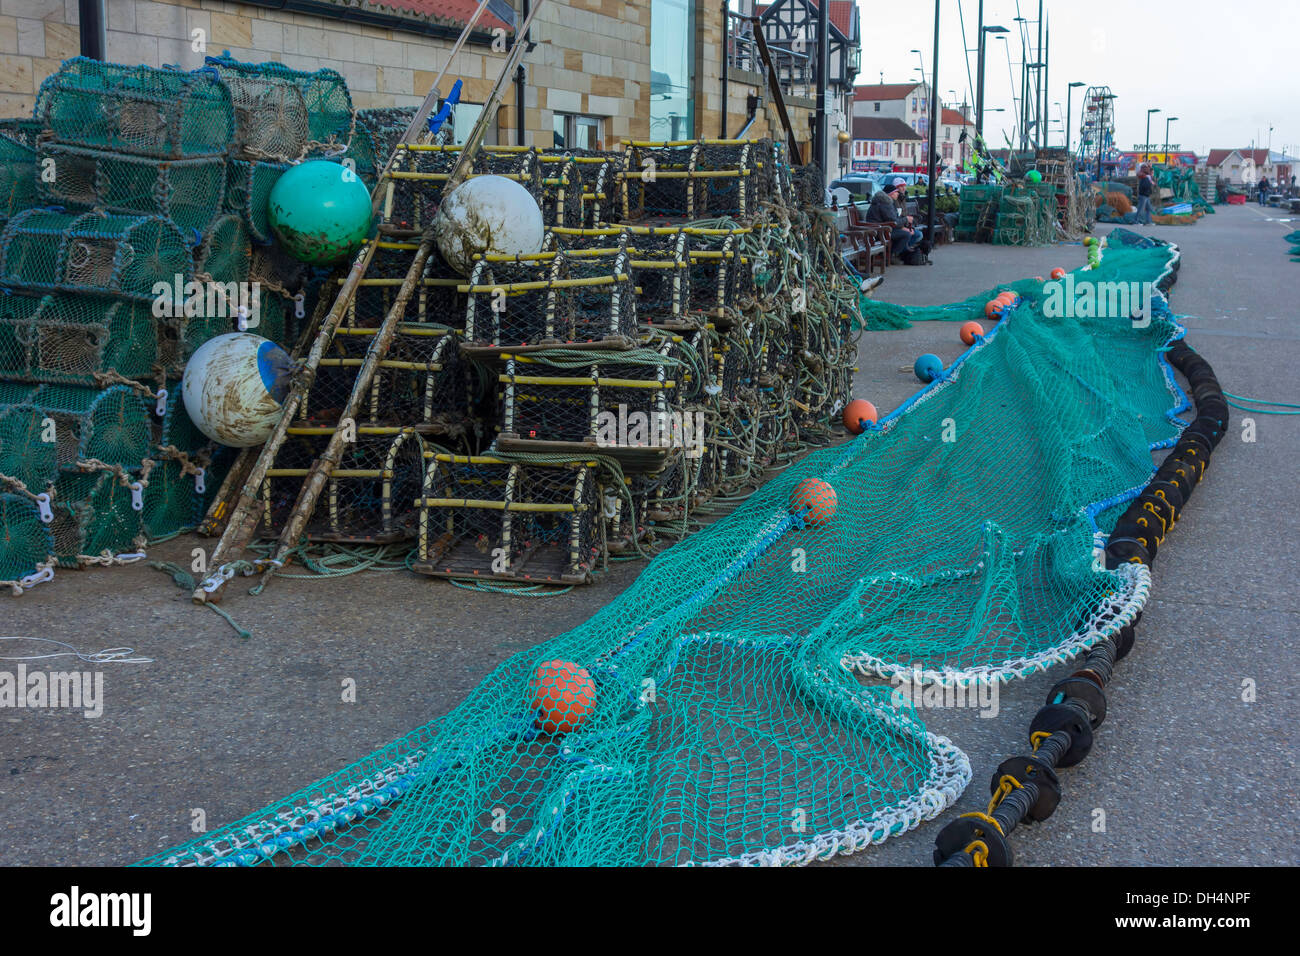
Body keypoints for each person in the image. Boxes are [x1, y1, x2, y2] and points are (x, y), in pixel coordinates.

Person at [864, 177, 923, 259]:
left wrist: (904, 224)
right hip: (879, 231)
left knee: (911, 233)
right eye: (896, 192)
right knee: (906, 234)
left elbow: (893, 220)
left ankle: (897, 254)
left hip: (882, 228)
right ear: (890, 194)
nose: (898, 194)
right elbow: (893, 221)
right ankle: (891, 255)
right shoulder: (885, 203)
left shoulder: (886, 202)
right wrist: (906, 220)